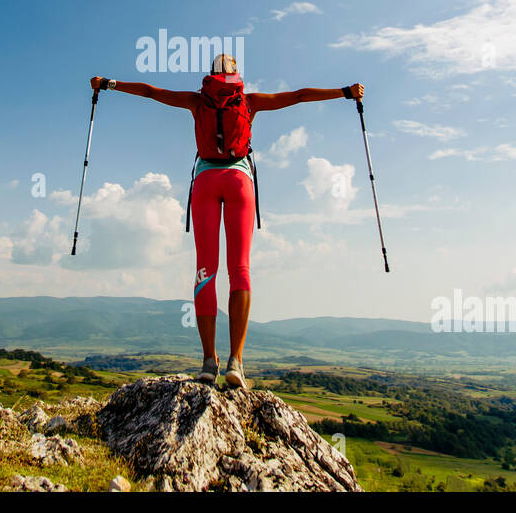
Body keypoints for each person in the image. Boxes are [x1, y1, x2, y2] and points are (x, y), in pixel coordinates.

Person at [90, 55, 364, 389]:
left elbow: (150, 91)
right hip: (239, 182)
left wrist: (109, 84)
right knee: (240, 270)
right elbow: (299, 96)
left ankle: (209, 361)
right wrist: (345, 92)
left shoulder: (195, 100)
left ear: (210, 75)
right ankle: (236, 361)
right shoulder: (249, 101)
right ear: (235, 74)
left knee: (206, 270)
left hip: (205, 182)